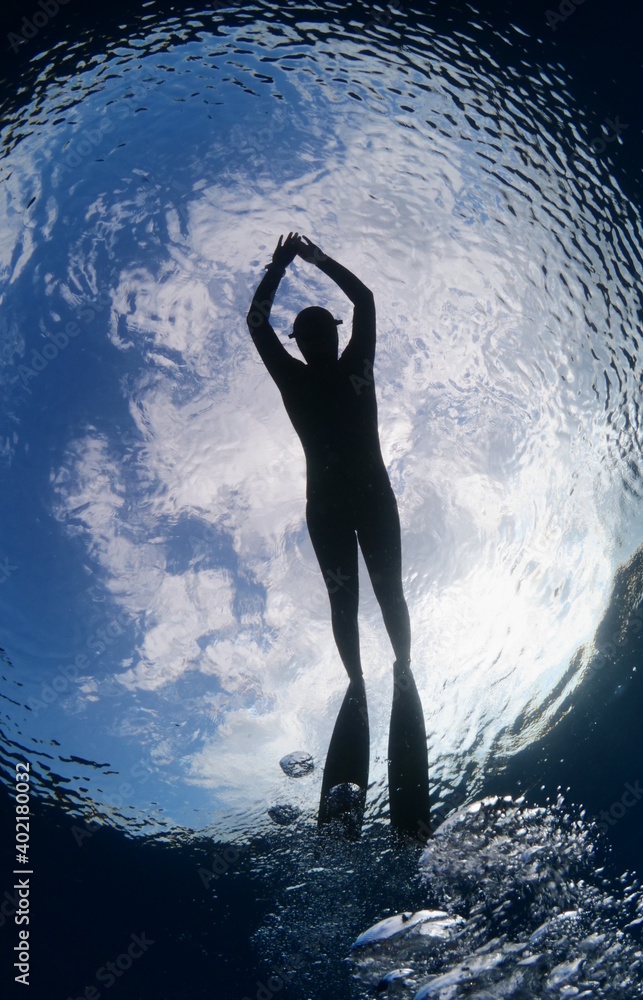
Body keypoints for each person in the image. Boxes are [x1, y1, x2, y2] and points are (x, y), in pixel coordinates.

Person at [247, 232, 429, 837]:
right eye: (314, 332)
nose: (323, 337)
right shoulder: (300, 379)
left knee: (386, 593)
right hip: (335, 505)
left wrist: (307, 261)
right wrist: (288, 265)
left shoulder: (353, 365)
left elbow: (366, 302)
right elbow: (258, 322)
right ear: (306, 344)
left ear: (327, 338)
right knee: (347, 602)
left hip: (362, 499)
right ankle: (362, 677)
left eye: (324, 328)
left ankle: (396, 667)